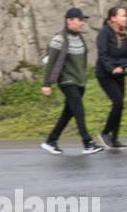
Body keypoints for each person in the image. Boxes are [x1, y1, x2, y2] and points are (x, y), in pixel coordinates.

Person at [40, 8, 104, 156]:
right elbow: (51, 63)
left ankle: (51, 141)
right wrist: (46, 84)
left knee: (68, 113)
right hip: (67, 81)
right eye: (79, 20)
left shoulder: (79, 38)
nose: (82, 23)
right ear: (69, 20)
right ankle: (87, 143)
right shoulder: (59, 39)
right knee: (79, 111)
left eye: (83, 20)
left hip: (79, 81)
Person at [95, 5, 127, 149]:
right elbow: (103, 55)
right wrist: (112, 68)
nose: (125, 18)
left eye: (126, 15)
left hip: (120, 73)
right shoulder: (104, 33)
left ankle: (114, 139)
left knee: (120, 105)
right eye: (122, 15)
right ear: (113, 18)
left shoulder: (123, 34)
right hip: (105, 74)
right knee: (118, 103)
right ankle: (105, 134)